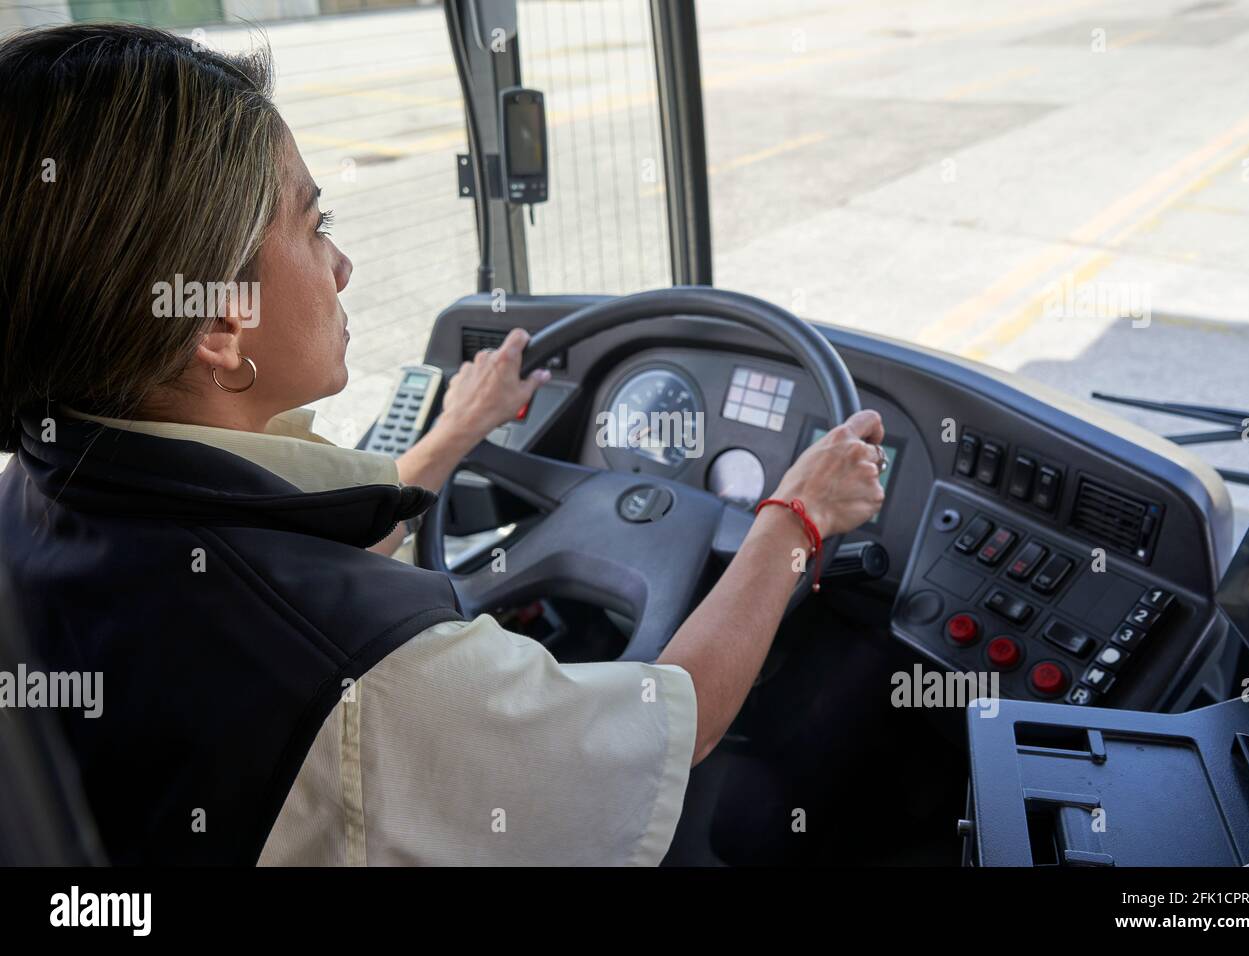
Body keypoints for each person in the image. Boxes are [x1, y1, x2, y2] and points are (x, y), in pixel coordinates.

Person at [0, 23, 887, 865]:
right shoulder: (381, 687)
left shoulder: (47, 488)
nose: (342, 265)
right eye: (316, 227)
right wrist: (794, 518)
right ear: (221, 328)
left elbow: (299, 548)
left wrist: (458, 430)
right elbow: (675, 722)